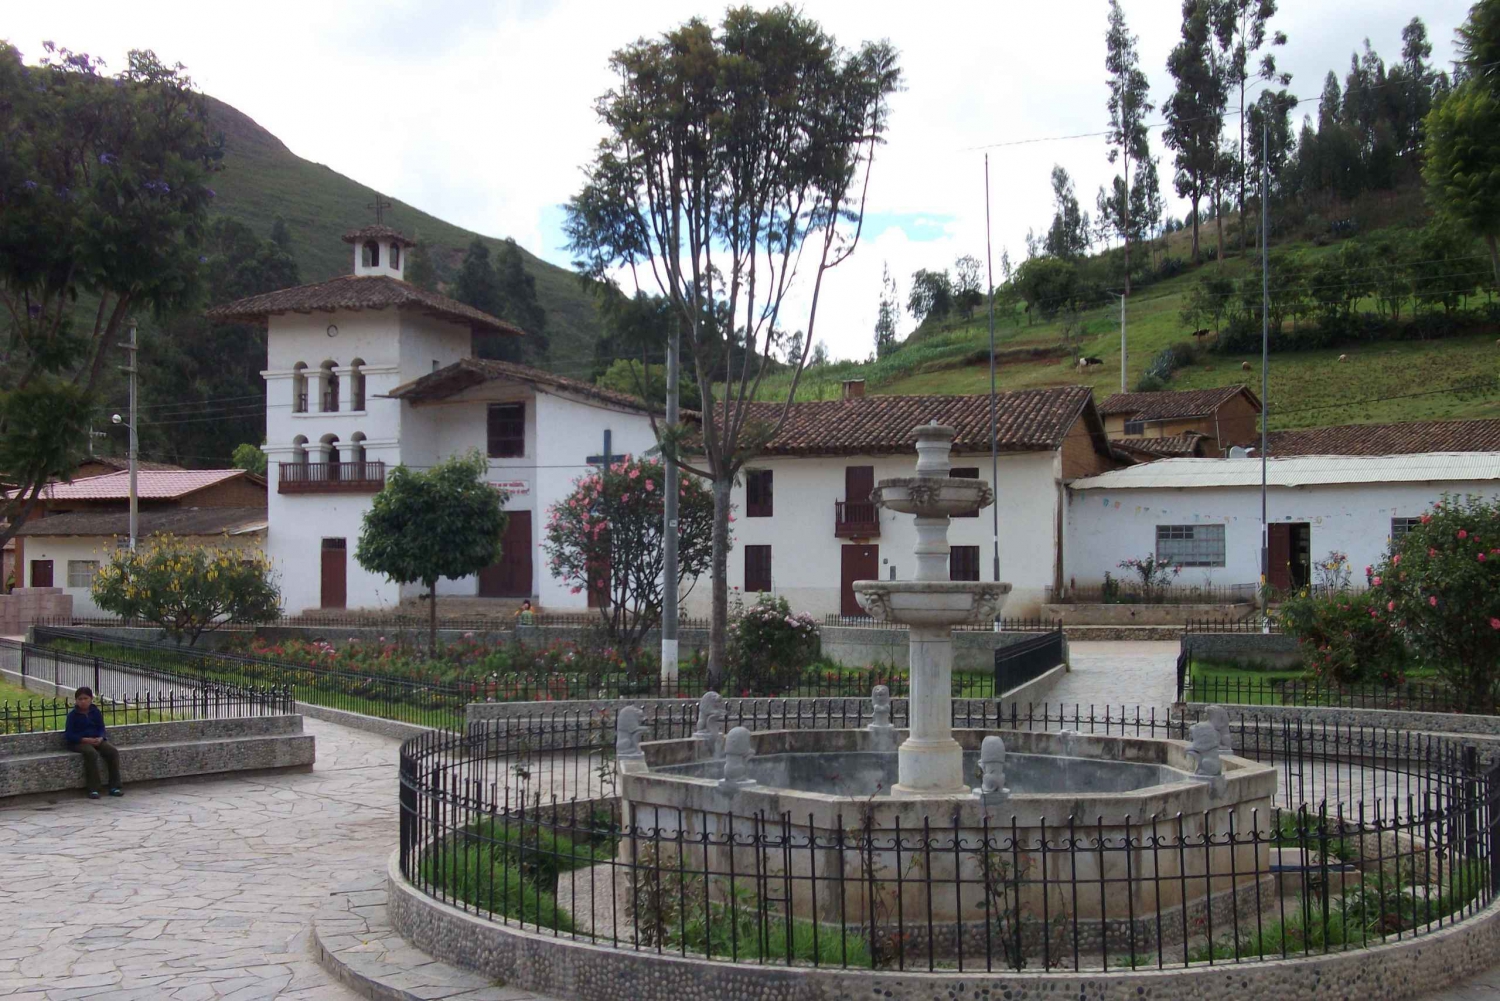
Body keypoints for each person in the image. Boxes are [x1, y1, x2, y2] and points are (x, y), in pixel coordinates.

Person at [64, 687, 122, 800]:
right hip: (78, 742)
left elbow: (101, 728)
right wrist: (84, 739)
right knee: (91, 753)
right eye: (80, 699)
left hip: (96, 739)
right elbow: (69, 734)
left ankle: (114, 786)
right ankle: (93, 788)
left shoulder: (95, 712)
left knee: (112, 752)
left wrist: (101, 737)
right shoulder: (72, 716)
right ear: (76, 700)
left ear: (91, 699)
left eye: (85, 698)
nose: (83, 701)